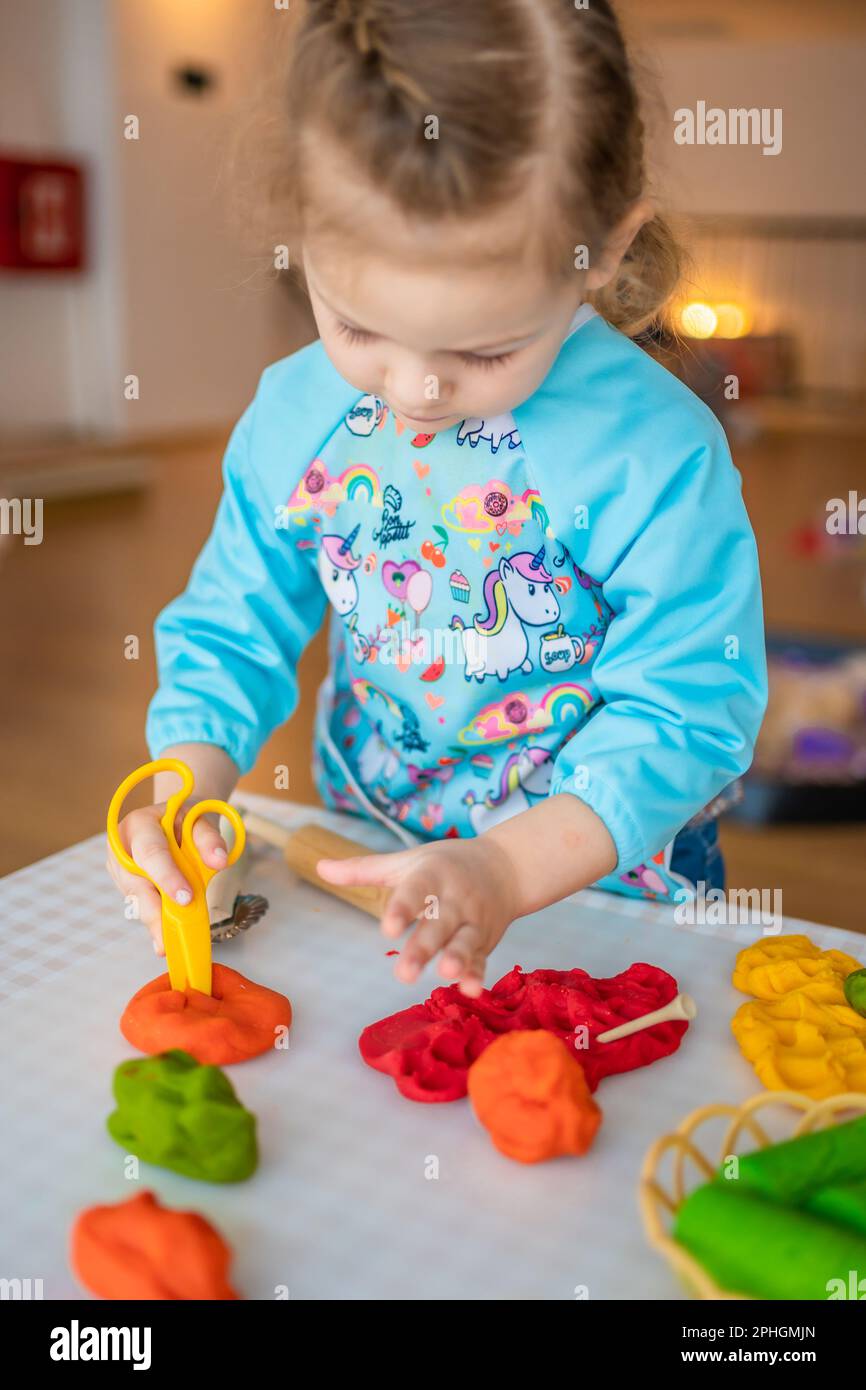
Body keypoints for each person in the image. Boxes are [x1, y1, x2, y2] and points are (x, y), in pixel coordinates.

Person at [108, 0, 767, 997]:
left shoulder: (656, 452)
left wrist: (507, 866)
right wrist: (186, 779)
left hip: (604, 887)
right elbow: (231, 621)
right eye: (357, 327)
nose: (416, 391)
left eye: (485, 348)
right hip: (377, 847)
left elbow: (684, 706)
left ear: (600, 249)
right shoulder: (294, 415)